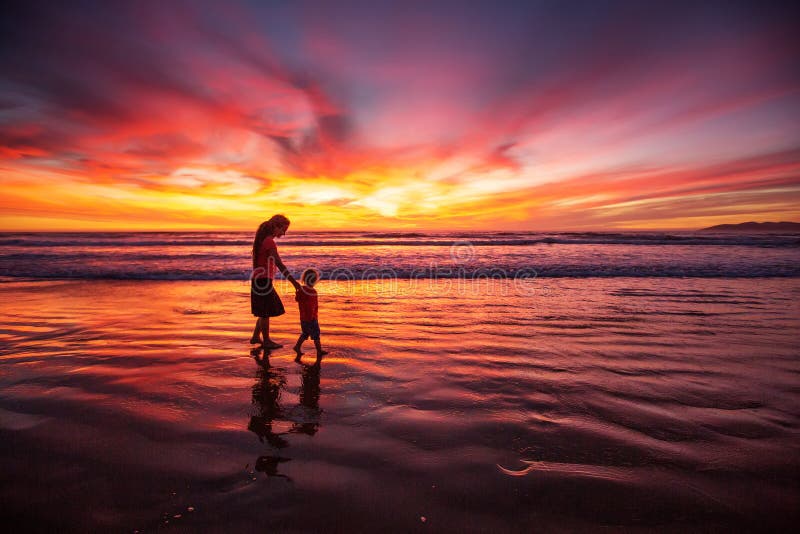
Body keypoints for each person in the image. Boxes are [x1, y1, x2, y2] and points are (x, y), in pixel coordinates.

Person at [250, 214, 300, 349]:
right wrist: (294, 283)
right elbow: (279, 263)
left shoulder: (263, 240)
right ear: (276, 227)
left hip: (260, 280)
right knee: (265, 312)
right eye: (283, 230)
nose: (283, 234)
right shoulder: (269, 242)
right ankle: (266, 341)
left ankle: (256, 336)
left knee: (264, 310)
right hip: (263, 281)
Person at [292, 268, 328, 362]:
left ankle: (297, 346)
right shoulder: (312, 291)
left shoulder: (302, 290)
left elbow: (297, 299)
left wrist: (297, 291)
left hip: (303, 318)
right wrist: (313, 317)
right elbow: (313, 306)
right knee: (316, 334)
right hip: (311, 318)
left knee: (305, 333)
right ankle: (319, 351)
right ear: (314, 280)